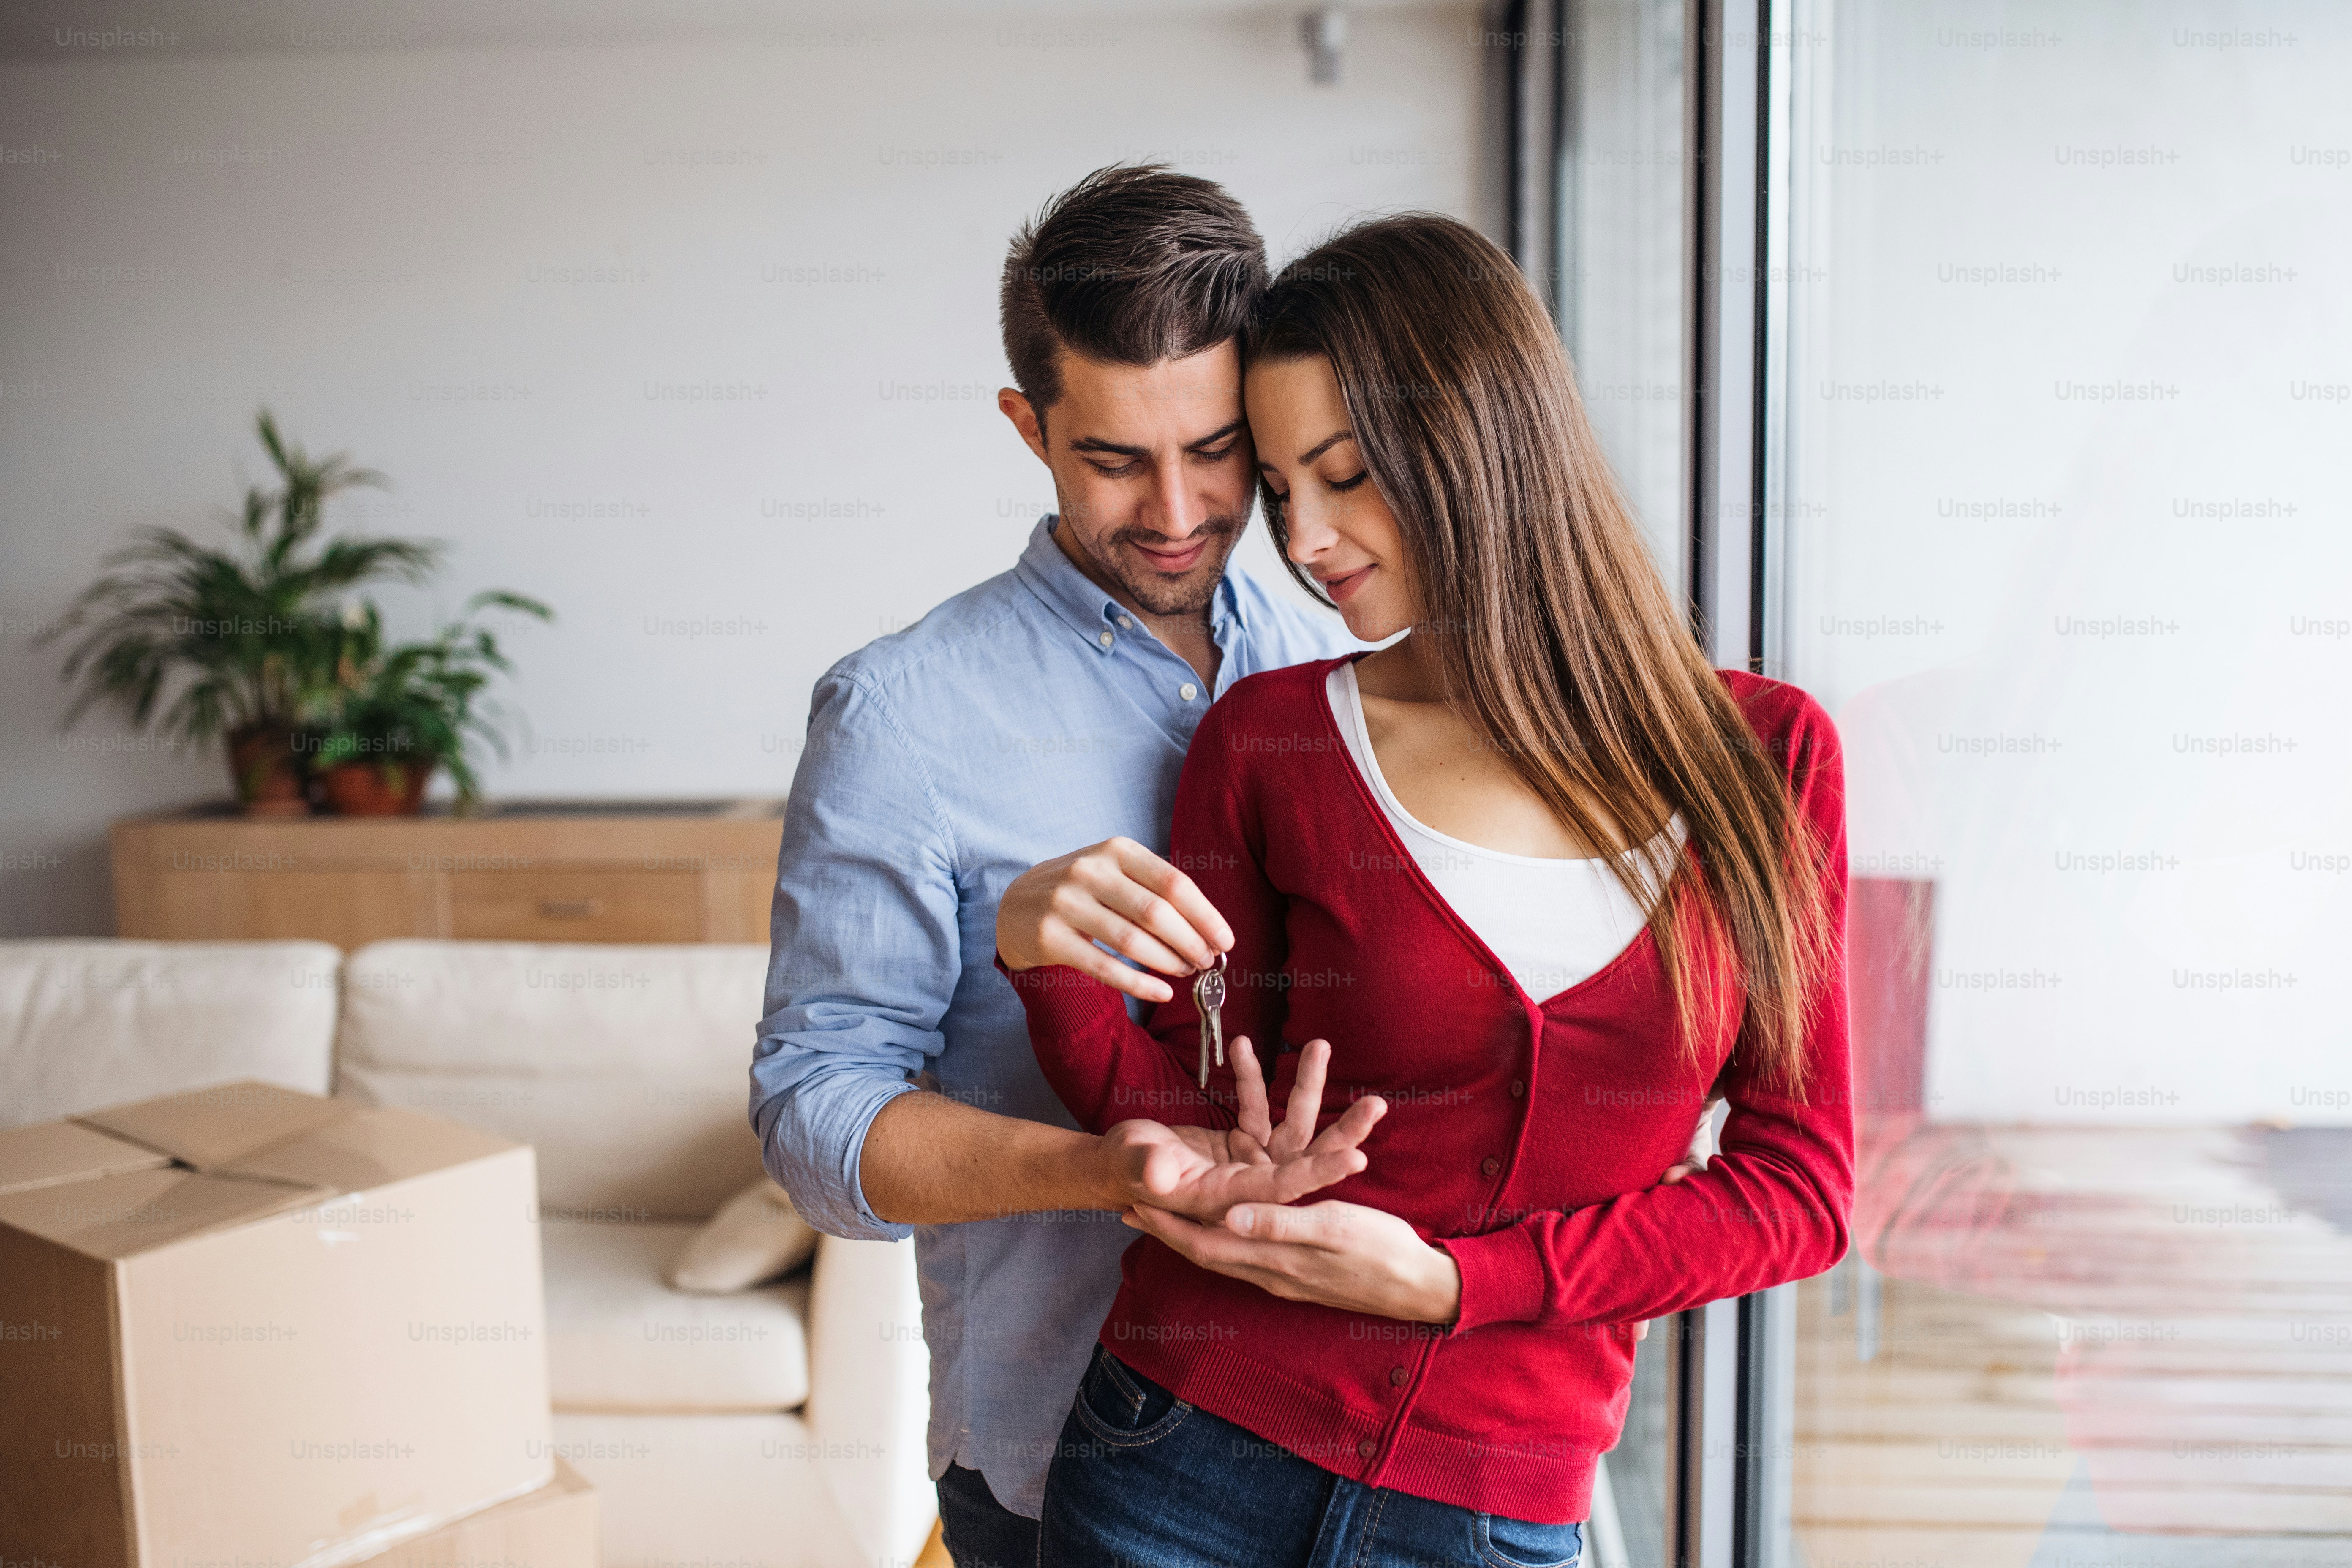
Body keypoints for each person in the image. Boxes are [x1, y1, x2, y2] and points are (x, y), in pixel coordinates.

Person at [996, 213, 1856, 1568]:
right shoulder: (1273, 741)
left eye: (1344, 476)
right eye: (1280, 489)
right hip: (1181, 1453)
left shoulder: (1768, 760)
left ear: (1481, 441)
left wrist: (1461, 1284)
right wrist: (1049, 972)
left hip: (1495, 1510)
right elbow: (1194, 1113)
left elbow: (1798, 1191)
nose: (1305, 539)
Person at [750, 164, 1382, 1568]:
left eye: (1217, 449)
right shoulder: (900, 715)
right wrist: (1107, 1169)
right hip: (1061, 1472)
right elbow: (812, 1120)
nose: (1177, 509)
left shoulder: (1348, 663)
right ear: (1027, 426)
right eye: (1113, 460)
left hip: (1350, 1459)